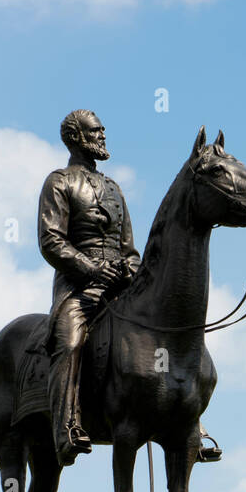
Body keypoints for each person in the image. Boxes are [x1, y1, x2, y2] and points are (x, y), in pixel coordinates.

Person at [37, 110, 140, 466]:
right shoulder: (59, 182)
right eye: (96, 131)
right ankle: (65, 427)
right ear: (76, 137)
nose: (103, 136)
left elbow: (129, 248)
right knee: (68, 341)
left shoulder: (114, 188)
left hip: (121, 283)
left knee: (165, 323)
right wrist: (92, 269)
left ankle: (190, 422)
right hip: (79, 286)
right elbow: (51, 240)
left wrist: (132, 268)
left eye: (102, 131)